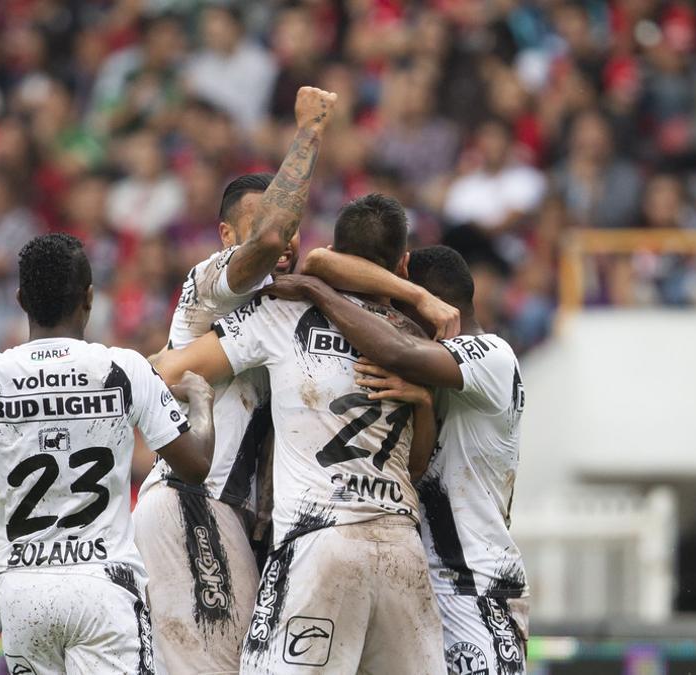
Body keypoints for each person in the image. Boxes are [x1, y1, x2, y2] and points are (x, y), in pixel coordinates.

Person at [156, 194, 446, 674]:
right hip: (401, 545)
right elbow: (417, 467)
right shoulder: (413, 341)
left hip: (319, 539)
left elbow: (175, 370)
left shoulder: (284, 311)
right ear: (402, 265)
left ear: (332, 249)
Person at [0, 233, 216, 675]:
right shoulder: (123, 369)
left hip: (22, 591)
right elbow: (196, 464)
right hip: (103, 586)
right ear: (89, 298)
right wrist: (201, 400)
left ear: (20, 300)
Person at [133, 85, 336, 675]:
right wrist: (309, 133)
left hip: (228, 517)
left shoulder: (288, 317)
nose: (285, 235)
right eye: (266, 222)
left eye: (294, 221)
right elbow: (267, 243)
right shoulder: (208, 288)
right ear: (227, 238)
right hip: (194, 502)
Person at [268, 245, 529, 674]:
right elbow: (320, 259)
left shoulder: (492, 356)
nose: (390, 318)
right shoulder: (430, 377)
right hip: (415, 581)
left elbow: (396, 351)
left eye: (398, 307)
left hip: (475, 586)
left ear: (436, 306)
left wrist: (317, 292)